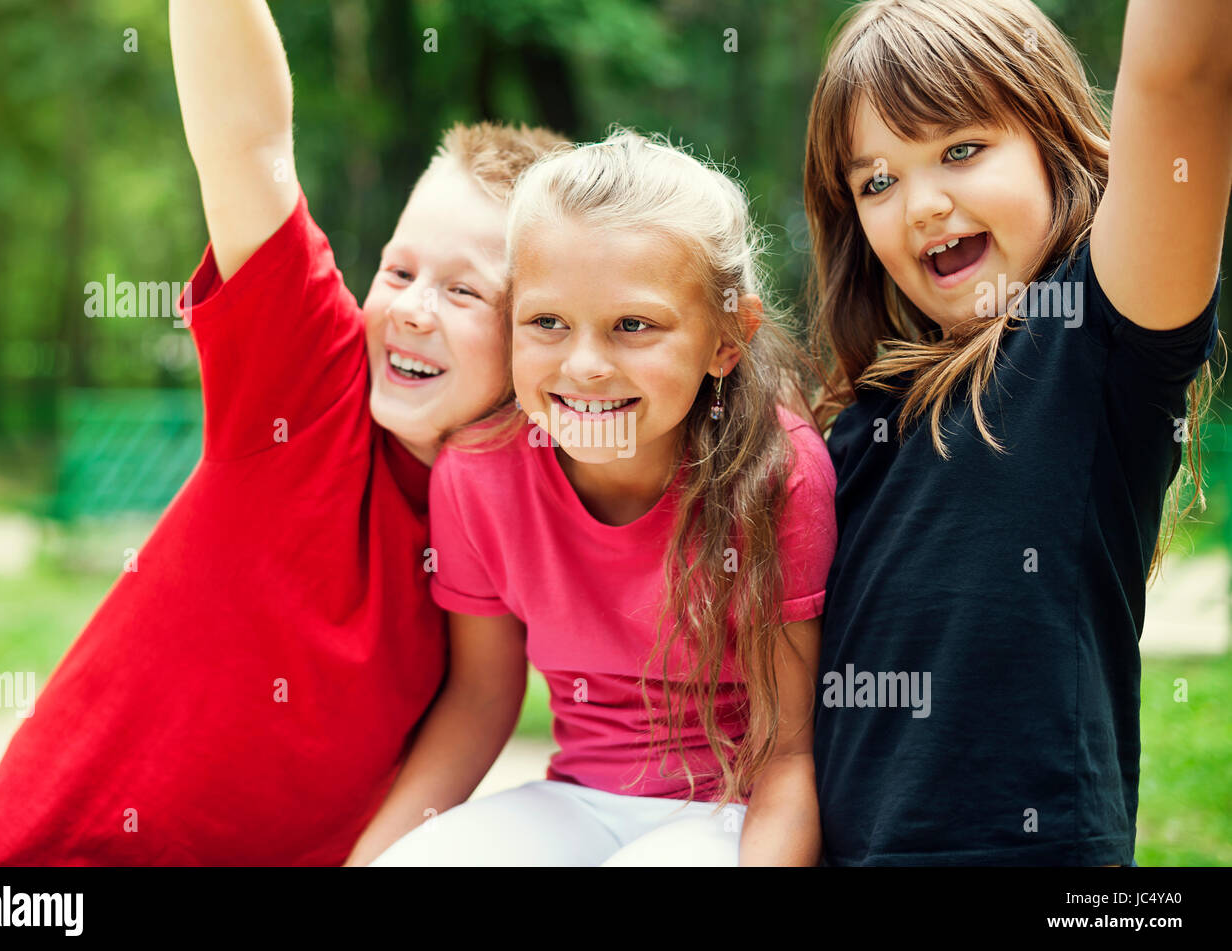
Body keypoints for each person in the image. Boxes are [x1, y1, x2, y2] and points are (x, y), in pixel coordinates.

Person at [0, 0, 565, 865]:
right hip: (52, 865)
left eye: (466, 293)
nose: (414, 309)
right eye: (398, 269)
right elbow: (248, 142)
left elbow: (481, 699)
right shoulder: (311, 385)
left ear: (540, 335)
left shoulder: (512, 501)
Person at [802, 0, 1230, 865]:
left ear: (1050, 142)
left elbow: (1182, 75)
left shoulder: (1097, 348)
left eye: (961, 149)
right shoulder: (847, 431)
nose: (921, 204)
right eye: (876, 180)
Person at [347, 129, 838, 867]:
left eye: (633, 326)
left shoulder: (777, 474)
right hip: (573, 802)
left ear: (727, 340)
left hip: (732, 809)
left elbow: (790, 756)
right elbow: (480, 702)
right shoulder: (479, 475)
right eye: (546, 323)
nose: (584, 365)